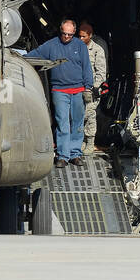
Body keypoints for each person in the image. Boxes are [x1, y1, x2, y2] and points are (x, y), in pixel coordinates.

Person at [27, 18, 93, 168]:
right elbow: (36, 54)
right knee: (62, 123)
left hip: (78, 90)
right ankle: (63, 156)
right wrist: (18, 58)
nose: (66, 37)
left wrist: (88, 87)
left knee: (77, 123)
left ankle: (75, 154)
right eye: (64, 34)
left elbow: (86, 67)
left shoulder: (80, 46)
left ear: (74, 33)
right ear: (60, 31)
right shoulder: (51, 45)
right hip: (60, 90)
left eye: (69, 35)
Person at [77, 20, 108, 156]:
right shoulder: (76, 48)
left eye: (83, 36)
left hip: (92, 90)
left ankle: (90, 142)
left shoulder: (97, 50)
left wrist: (95, 87)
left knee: (89, 115)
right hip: (78, 88)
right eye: (80, 36)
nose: (81, 38)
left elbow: (101, 71)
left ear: (90, 36)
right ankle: (82, 141)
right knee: (78, 115)